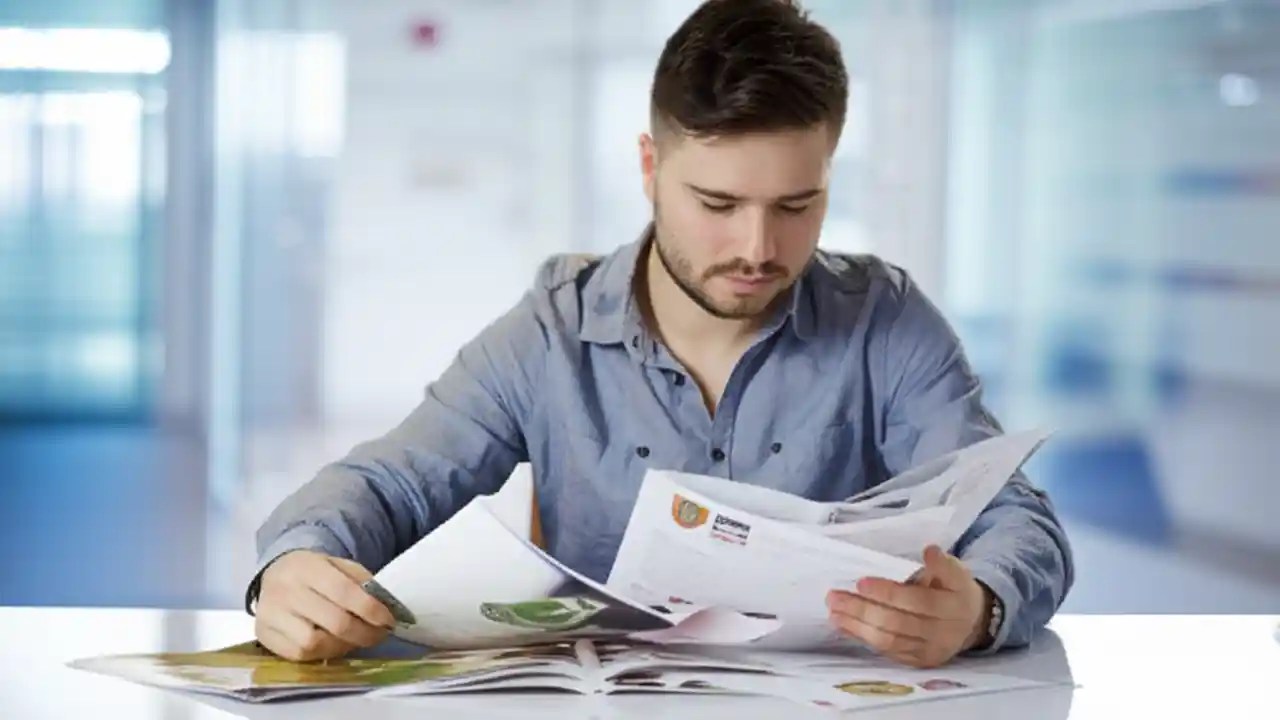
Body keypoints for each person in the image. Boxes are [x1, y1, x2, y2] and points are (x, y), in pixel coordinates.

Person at [248, 0, 1074, 669]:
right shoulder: (553, 332)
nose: (757, 248)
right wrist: (293, 567)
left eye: (796, 207)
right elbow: (392, 483)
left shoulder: (887, 324)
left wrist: (979, 606)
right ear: (650, 168)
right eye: (717, 205)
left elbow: (1015, 518)